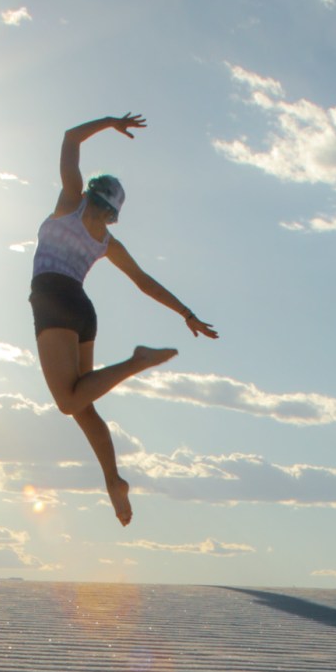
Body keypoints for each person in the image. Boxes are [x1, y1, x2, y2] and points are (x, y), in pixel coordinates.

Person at [29, 113, 218, 526]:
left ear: (91, 195)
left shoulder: (70, 202)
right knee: (84, 406)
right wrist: (188, 314)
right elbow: (144, 282)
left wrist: (111, 121)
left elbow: (69, 138)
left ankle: (136, 361)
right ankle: (113, 480)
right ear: (113, 213)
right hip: (82, 309)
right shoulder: (108, 243)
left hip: (53, 299)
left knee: (67, 402)